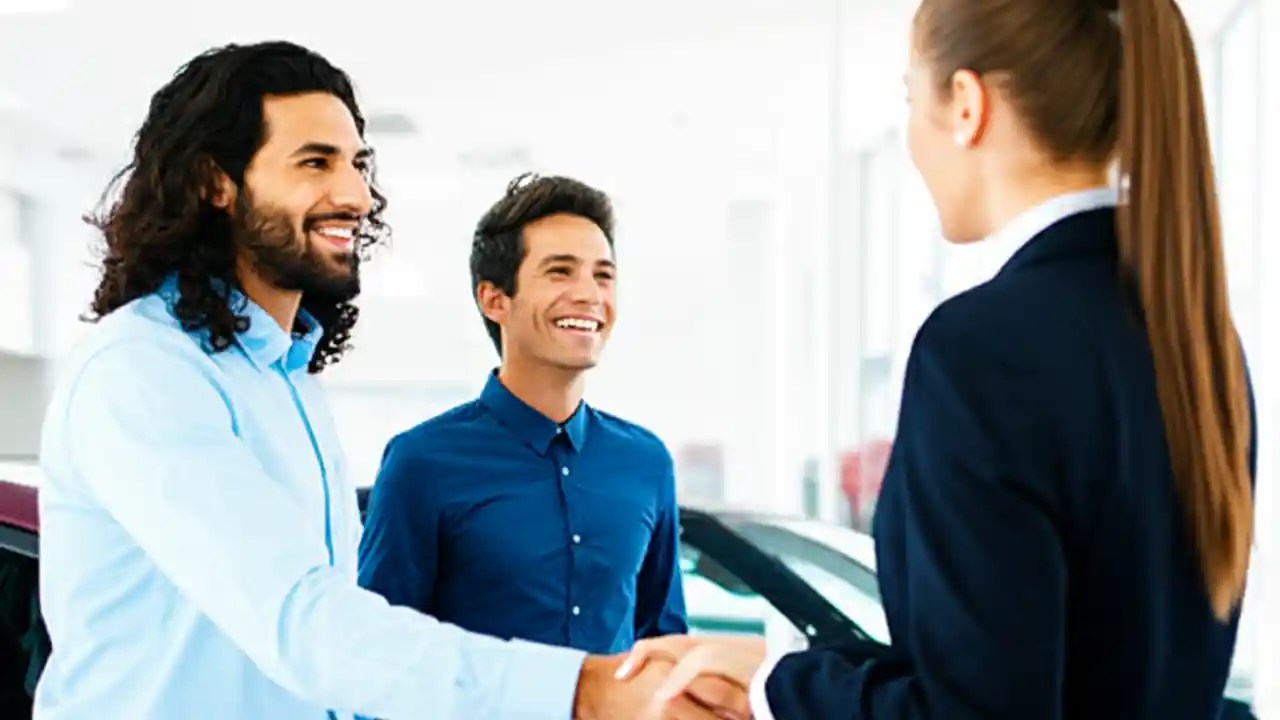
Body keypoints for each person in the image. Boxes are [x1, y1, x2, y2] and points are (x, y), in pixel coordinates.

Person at [33, 40, 732, 720]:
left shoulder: (285, 380)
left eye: (359, 165)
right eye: (316, 163)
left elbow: (347, 660)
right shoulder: (143, 372)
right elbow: (306, 625)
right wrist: (584, 692)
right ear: (216, 181)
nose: (357, 194)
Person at [621, 0, 1258, 718]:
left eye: (909, 99)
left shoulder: (983, 349)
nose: (911, 139)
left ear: (965, 104)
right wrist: (782, 672)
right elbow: (1051, 663)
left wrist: (782, 692)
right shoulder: (1198, 347)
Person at [357, 174, 688, 657]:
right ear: (495, 300)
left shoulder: (645, 462)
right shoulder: (423, 461)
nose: (589, 294)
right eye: (560, 271)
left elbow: (663, 644)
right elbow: (380, 655)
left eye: (603, 275)